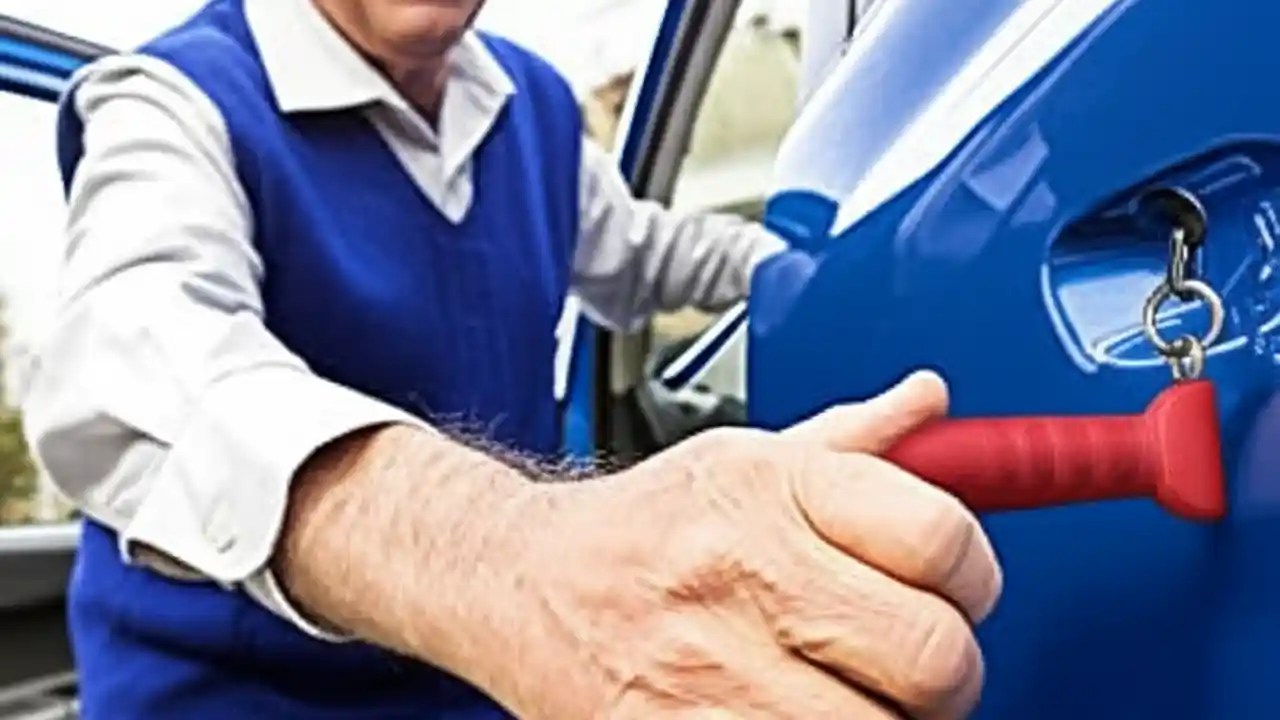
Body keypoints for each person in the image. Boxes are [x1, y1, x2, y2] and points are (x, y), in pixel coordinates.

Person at [24, 0, 1003, 717]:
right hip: (235, 697)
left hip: (480, 685)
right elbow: (126, 355)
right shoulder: (176, 95)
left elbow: (643, 254)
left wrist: (851, 275)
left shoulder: (527, 102)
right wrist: (518, 561)